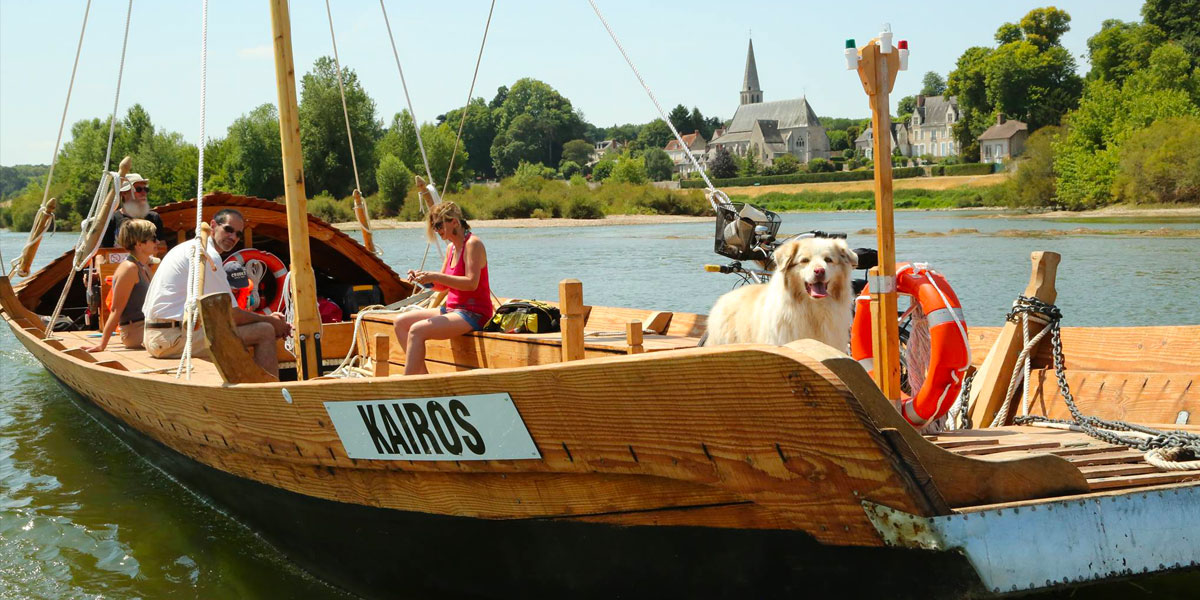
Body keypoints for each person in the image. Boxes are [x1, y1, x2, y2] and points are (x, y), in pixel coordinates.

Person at [141, 208, 290, 377]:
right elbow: (232, 315)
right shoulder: (207, 255)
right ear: (213, 226)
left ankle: (246, 381)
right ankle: (270, 390)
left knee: (254, 328)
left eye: (238, 234)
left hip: (160, 335)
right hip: (170, 339)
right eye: (228, 229)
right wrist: (272, 322)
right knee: (264, 331)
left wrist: (270, 320)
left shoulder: (187, 248)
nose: (233, 237)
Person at [393, 202, 493, 375]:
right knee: (400, 323)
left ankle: (408, 382)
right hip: (452, 310)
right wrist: (424, 280)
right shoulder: (451, 248)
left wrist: (435, 276)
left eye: (439, 225)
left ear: (454, 222)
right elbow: (443, 287)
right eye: (434, 226)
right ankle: (422, 379)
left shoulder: (473, 244)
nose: (436, 230)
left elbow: (471, 283)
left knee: (417, 330)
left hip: (474, 313)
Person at [84, 219, 157, 353]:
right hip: (135, 332)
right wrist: (102, 345)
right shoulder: (129, 269)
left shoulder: (144, 267)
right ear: (139, 244)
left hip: (149, 327)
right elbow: (116, 310)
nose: (157, 242)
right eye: (153, 238)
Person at [100, 173, 167, 251]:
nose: (144, 193)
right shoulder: (112, 220)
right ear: (124, 193)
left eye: (146, 189)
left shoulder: (154, 218)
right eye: (138, 189)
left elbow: (162, 248)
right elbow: (103, 252)